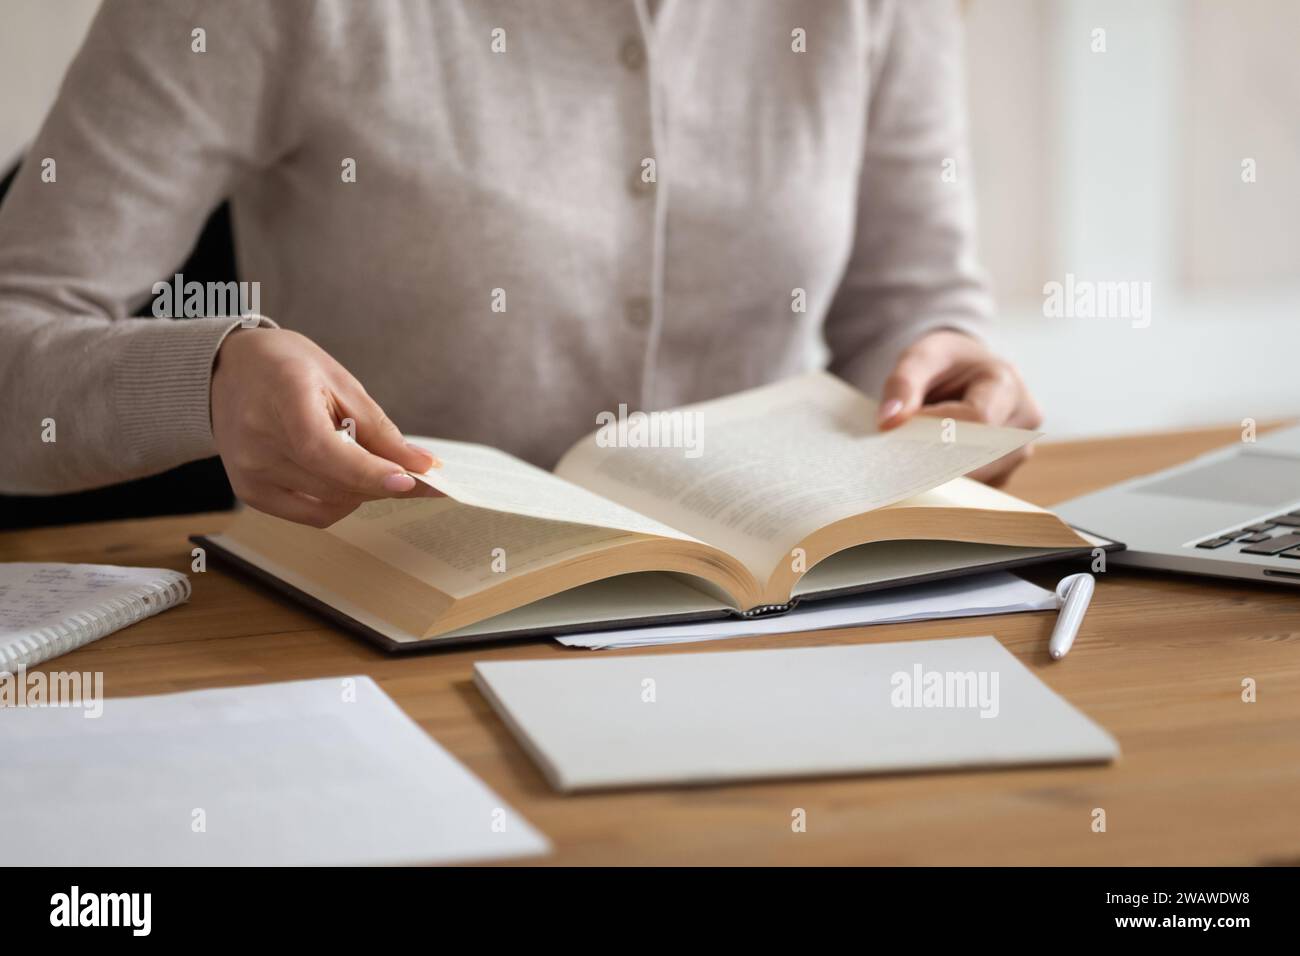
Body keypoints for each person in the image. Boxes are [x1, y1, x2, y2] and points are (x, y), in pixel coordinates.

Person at [0, 0, 1041, 528]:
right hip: (387, 646)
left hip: (776, 620)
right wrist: (209, 377)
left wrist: (951, 376)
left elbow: (911, 308)